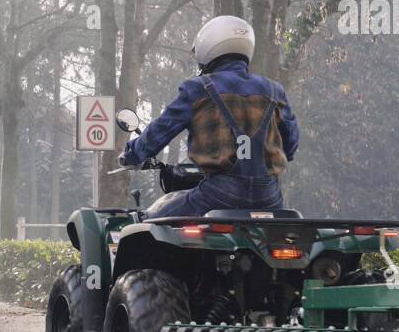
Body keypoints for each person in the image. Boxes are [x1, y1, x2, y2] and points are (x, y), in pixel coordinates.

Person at [118, 15, 299, 218]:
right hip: (270, 198)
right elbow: (290, 147)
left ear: (208, 46)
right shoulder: (275, 91)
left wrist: (132, 154)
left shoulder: (198, 88)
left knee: (147, 222)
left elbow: (161, 130)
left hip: (218, 195)